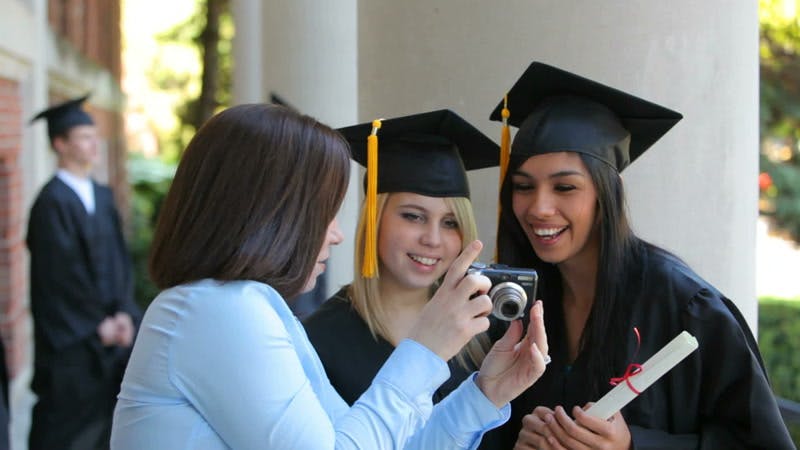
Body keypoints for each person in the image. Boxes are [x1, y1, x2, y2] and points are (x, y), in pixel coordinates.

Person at [110, 103, 550, 449]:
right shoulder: (216, 310)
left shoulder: (254, 311)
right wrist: (425, 351)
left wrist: (484, 393)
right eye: (323, 213)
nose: (337, 235)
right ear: (270, 214)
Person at [485, 61, 795, 449]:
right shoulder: (517, 305)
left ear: (605, 194)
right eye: (523, 186)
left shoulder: (686, 307)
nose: (538, 208)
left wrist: (634, 446)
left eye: (565, 187)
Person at [304, 109, 501, 407]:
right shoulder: (320, 340)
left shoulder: (486, 329)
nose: (432, 239)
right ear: (375, 218)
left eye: (450, 223)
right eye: (413, 216)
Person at [27, 95, 141, 450]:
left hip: (113, 335)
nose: (95, 144)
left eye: (95, 136)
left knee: (108, 427)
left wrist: (124, 312)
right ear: (60, 144)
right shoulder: (51, 203)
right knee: (67, 431)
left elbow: (120, 262)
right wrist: (95, 327)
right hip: (74, 343)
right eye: (84, 137)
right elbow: (56, 281)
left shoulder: (102, 196)